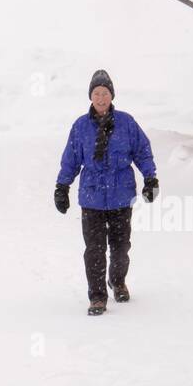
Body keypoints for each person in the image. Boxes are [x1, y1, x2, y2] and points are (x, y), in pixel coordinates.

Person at [54, 69, 158, 315]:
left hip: (121, 195)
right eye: (96, 93)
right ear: (91, 97)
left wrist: (150, 178)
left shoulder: (127, 122)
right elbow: (71, 159)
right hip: (92, 197)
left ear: (112, 95)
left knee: (121, 247)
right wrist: (62, 186)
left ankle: (117, 280)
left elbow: (142, 151)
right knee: (95, 249)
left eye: (105, 93)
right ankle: (98, 296)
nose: (101, 98)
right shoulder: (80, 126)